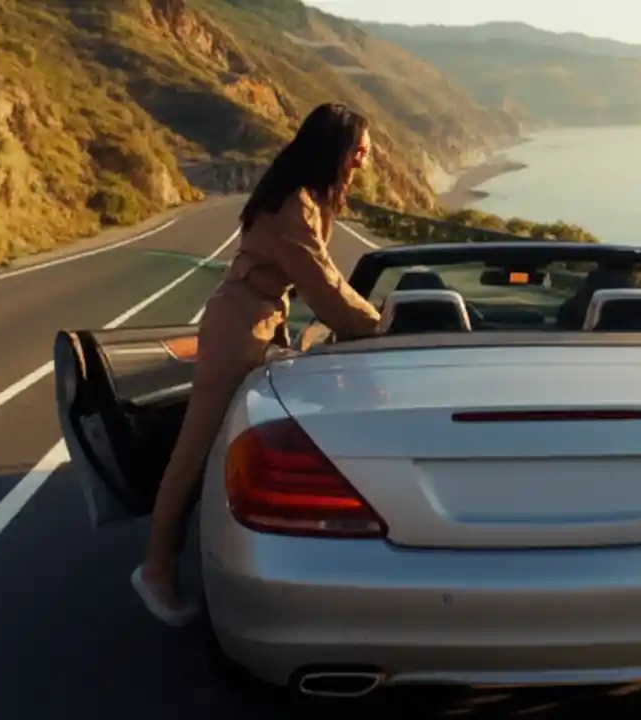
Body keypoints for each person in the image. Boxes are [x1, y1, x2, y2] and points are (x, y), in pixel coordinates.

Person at [131, 103, 385, 625]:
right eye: (358, 150)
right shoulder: (293, 208)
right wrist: (382, 322)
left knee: (240, 445)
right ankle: (155, 570)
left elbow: (318, 279)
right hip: (237, 330)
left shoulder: (306, 198)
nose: (363, 161)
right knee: (194, 452)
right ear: (333, 147)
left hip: (263, 321)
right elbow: (326, 287)